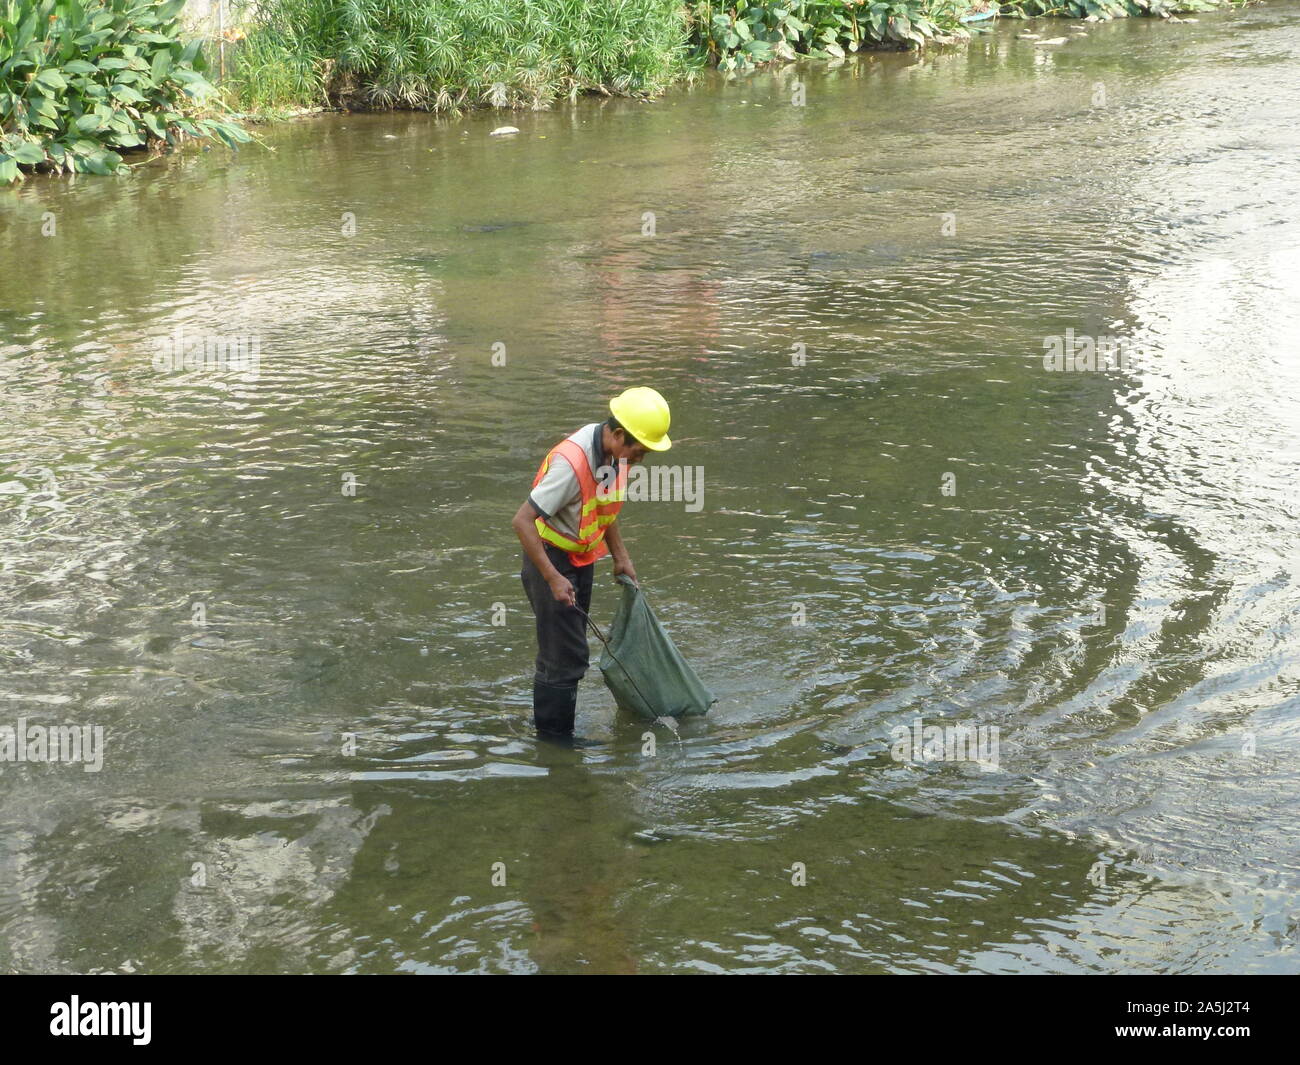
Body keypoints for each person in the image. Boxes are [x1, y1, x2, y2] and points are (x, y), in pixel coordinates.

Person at [511, 387, 672, 736]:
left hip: (580, 559)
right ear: (617, 434)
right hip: (549, 560)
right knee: (564, 659)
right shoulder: (571, 465)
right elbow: (522, 521)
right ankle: (555, 744)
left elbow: (604, 508)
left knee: (569, 651)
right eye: (638, 450)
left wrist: (621, 557)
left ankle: (557, 734)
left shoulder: (615, 457)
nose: (641, 458)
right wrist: (553, 578)